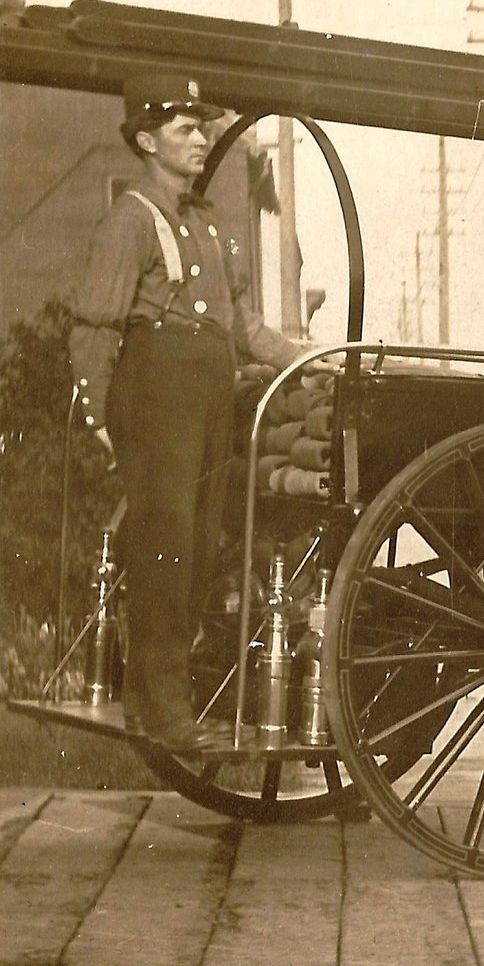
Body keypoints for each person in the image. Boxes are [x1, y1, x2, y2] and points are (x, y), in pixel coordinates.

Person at [69, 74, 296, 756]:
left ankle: (163, 694)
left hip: (207, 398)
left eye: (202, 128)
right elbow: (93, 325)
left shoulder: (205, 225)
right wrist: (102, 419)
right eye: (184, 130)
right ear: (146, 140)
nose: (201, 140)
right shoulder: (128, 221)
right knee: (164, 548)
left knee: (200, 547)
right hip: (155, 395)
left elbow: (240, 323)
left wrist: (305, 358)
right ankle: (161, 706)